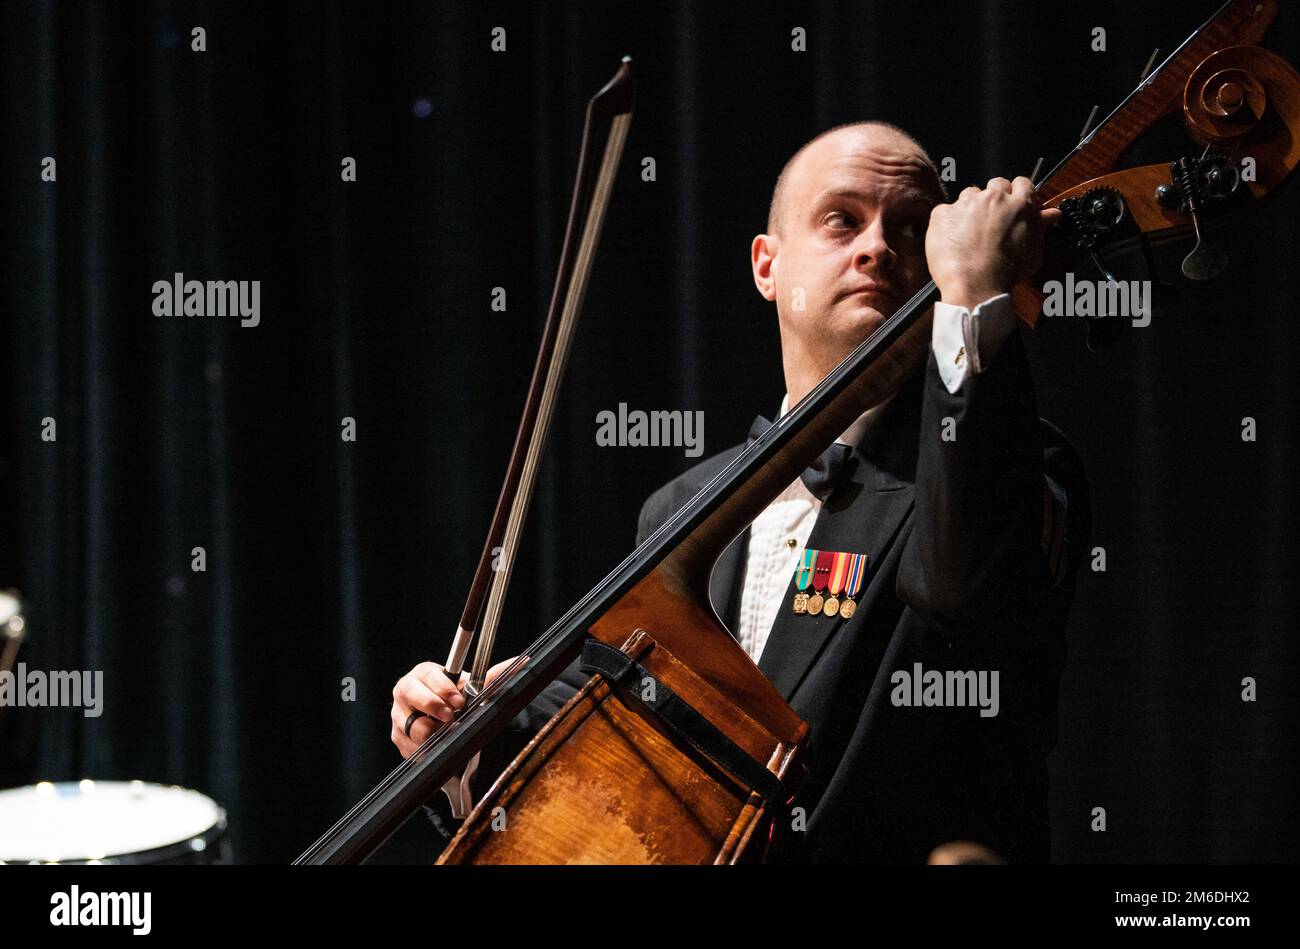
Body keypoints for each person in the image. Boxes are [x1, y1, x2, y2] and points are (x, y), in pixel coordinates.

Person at [391, 121, 1090, 863]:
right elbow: (633, 769)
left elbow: (965, 589)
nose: (878, 246)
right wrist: (467, 744)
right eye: (841, 220)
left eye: (915, 229)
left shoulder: (1018, 462)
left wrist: (978, 302)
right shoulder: (683, 508)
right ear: (767, 264)